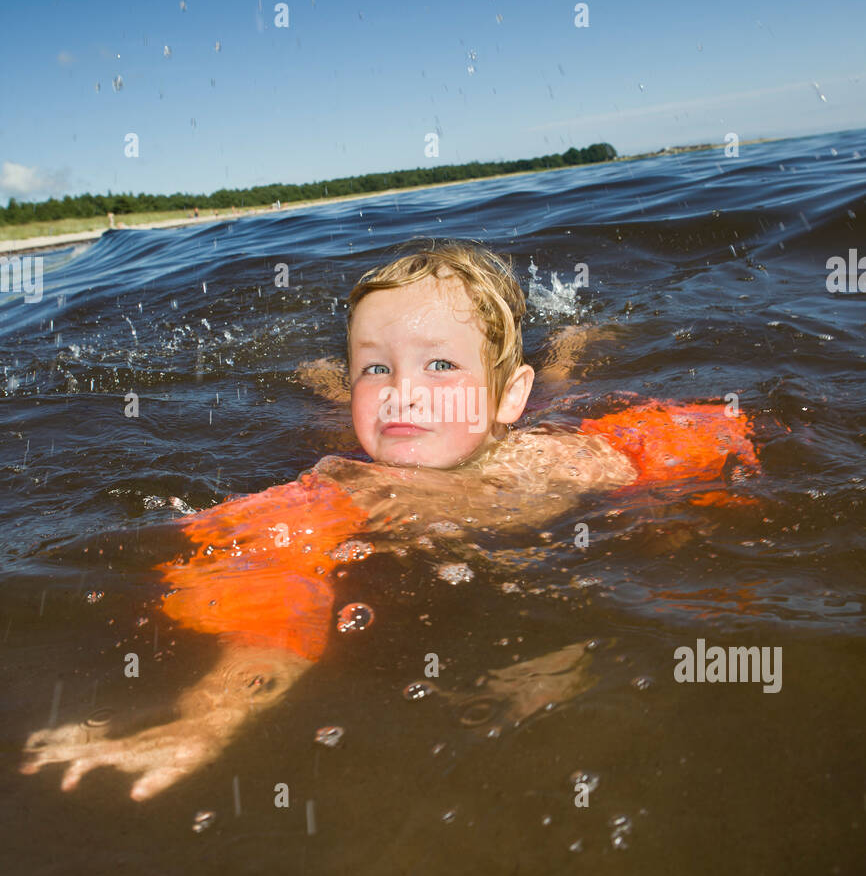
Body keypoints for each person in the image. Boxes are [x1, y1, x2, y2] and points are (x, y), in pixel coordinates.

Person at [20, 241, 760, 800]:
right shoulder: (342, 487)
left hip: (519, 424)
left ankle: (569, 352)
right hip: (463, 427)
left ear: (505, 398)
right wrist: (206, 718)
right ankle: (332, 382)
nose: (402, 395)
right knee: (329, 420)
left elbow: (709, 430)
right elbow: (263, 581)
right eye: (376, 369)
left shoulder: (560, 462)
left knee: (566, 387)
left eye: (439, 366)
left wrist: (694, 518)